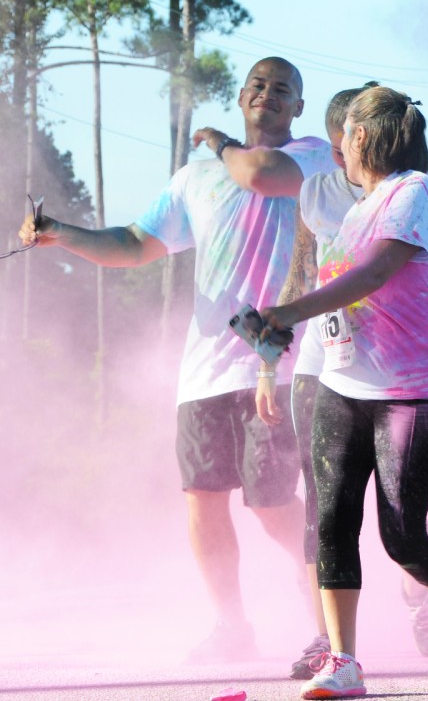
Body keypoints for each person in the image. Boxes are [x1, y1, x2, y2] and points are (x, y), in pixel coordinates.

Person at [19, 57, 335, 663]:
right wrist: (61, 232)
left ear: (298, 107)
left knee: (271, 503)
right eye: (258, 87)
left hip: (280, 361)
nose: (269, 96)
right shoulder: (195, 178)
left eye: (283, 91)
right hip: (205, 370)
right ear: (243, 96)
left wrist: (219, 141)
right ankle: (231, 626)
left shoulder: (313, 156)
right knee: (203, 498)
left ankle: (322, 619)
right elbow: (137, 245)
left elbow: (260, 176)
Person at [257, 86, 428, 697]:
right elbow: (341, 287)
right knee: (330, 519)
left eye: (344, 135)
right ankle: (343, 660)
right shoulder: (360, 206)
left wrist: (289, 311)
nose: (338, 146)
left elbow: (376, 272)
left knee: (401, 533)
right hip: (341, 382)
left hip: (411, 391)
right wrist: (277, 337)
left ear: (360, 136)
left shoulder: (415, 192)